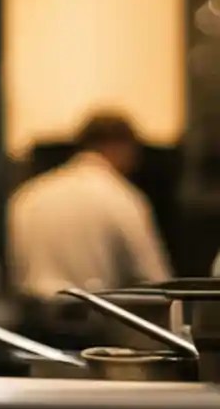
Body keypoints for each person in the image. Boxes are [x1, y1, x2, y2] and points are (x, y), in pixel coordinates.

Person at [10, 112, 172, 305]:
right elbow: (155, 282)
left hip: (31, 319)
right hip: (95, 319)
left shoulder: (29, 194)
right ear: (123, 147)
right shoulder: (122, 197)